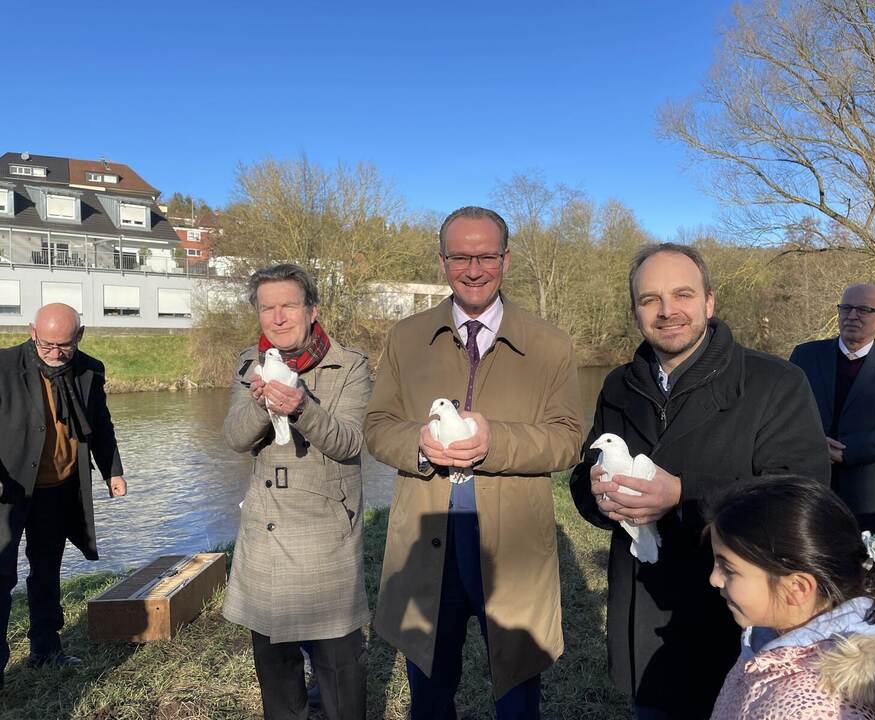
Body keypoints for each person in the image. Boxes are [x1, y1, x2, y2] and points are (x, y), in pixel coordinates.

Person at [569, 243, 830, 719]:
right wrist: (599, 497)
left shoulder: (776, 383)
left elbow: (802, 496)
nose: (668, 311)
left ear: (709, 301)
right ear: (635, 312)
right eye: (650, 299)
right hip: (644, 611)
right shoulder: (618, 386)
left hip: (736, 624)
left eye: (682, 294)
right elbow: (583, 475)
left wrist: (682, 495)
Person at [364, 206, 583, 719]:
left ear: (506, 259)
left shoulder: (550, 345)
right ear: (442, 261)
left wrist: (495, 443)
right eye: (460, 255)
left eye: (486, 255)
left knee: (516, 692)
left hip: (513, 548)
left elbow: (569, 440)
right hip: (427, 543)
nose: (474, 268)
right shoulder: (405, 338)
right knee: (430, 690)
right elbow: (376, 428)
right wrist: (418, 444)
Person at [222, 264, 369, 720]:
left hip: (326, 538)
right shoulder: (250, 364)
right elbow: (235, 438)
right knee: (277, 675)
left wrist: (302, 406)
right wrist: (261, 406)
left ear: (312, 310)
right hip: (266, 536)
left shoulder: (350, 364)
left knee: (340, 674)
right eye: (268, 307)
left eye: (288, 305)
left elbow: (348, 442)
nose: (278, 317)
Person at [707, 476, 875, 719]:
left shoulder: (813, 709)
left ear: (797, 588)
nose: (714, 579)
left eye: (727, 569)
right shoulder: (766, 643)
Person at [0, 303, 126, 688]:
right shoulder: (3, 367)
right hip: (9, 491)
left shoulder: (89, 369)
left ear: (80, 336)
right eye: (46, 344)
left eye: (64, 346)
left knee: (47, 571)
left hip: (58, 487)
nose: (55, 353)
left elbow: (100, 424)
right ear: (31, 332)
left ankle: (46, 649)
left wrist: (113, 470)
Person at [790, 283, 875, 542]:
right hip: (811, 489)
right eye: (846, 308)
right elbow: (785, 411)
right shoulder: (805, 356)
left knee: (868, 578)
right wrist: (815, 445)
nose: (852, 315)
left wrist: (846, 450)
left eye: (863, 309)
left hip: (872, 498)